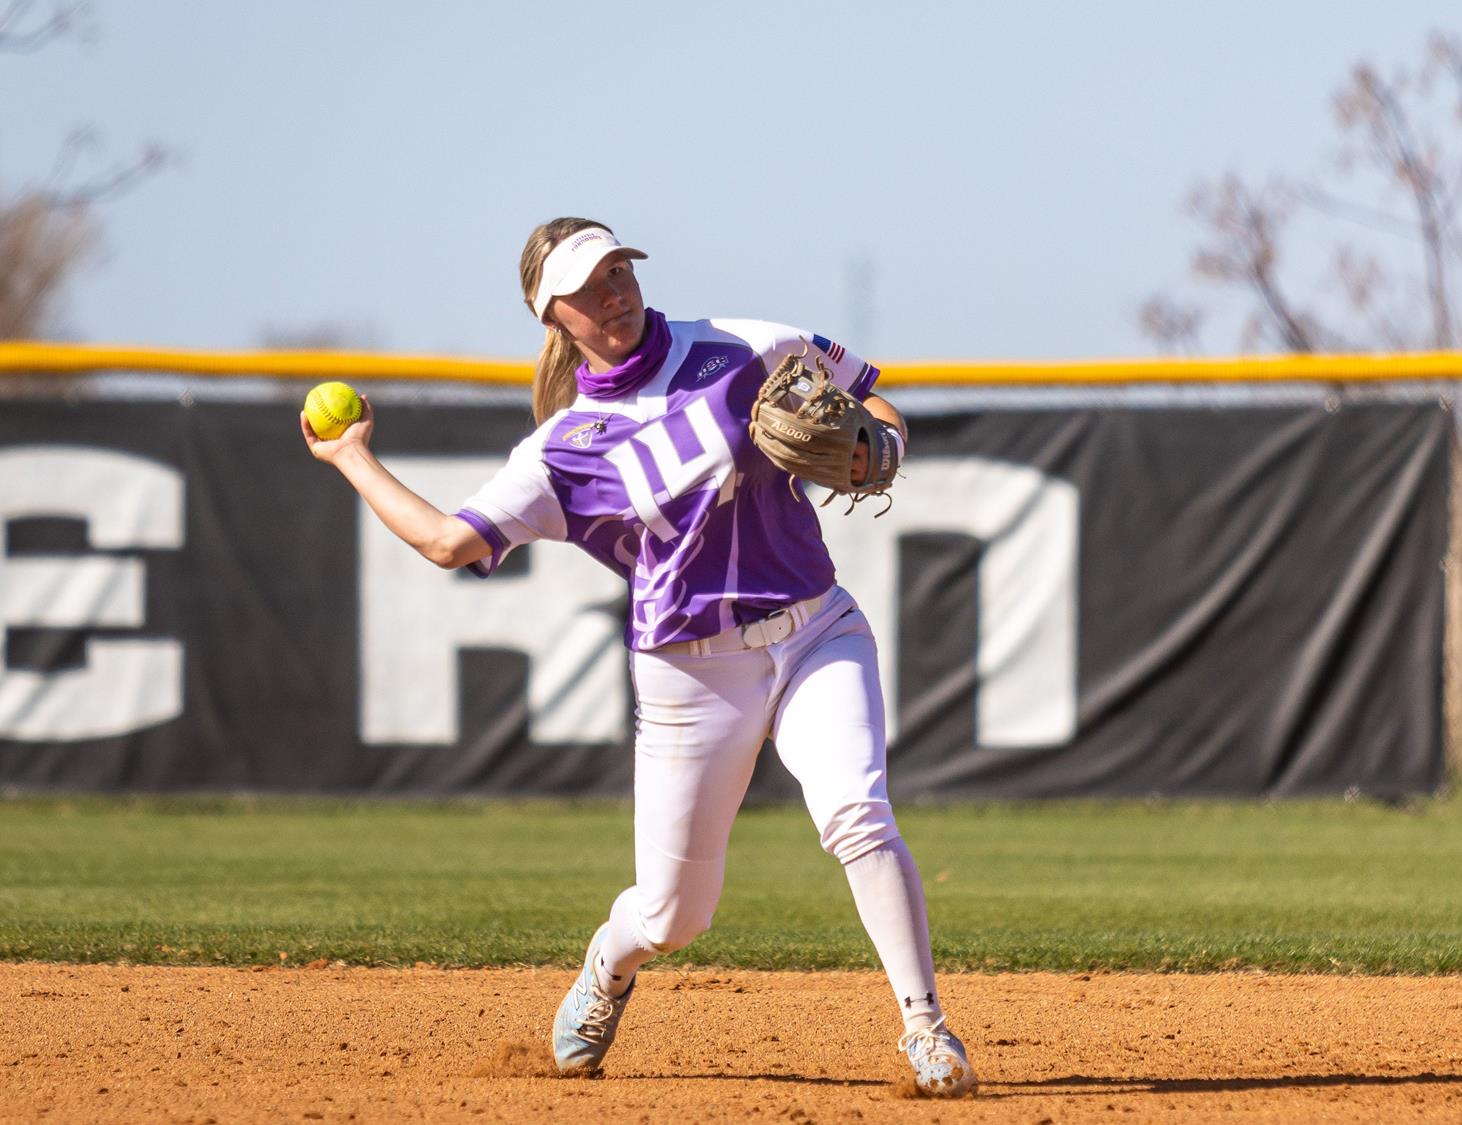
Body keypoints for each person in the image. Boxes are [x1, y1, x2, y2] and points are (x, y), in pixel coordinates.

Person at [300, 217, 975, 1097]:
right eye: (585, 287)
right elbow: (443, 542)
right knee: (672, 914)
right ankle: (609, 964)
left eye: (617, 269)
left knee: (857, 811)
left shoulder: (744, 346)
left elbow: (873, 401)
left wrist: (881, 443)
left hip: (815, 626)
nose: (611, 292)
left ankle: (928, 1030)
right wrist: (352, 456)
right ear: (553, 317)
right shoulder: (559, 454)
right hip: (692, 673)